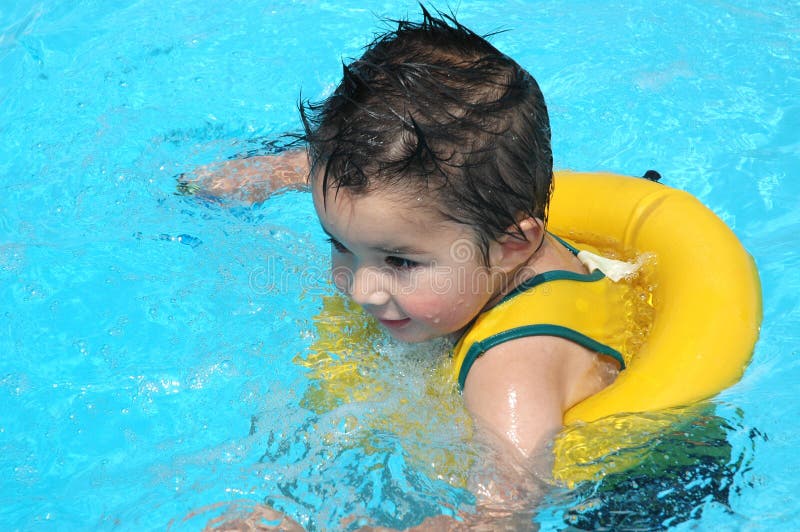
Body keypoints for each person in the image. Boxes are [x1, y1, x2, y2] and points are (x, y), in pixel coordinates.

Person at [183, 7, 638, 528]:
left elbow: (505, 515)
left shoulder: (510, 369)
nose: (362, 289)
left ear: (513, 244)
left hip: (622, 501)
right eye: (340, 244)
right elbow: (385, 180)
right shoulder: (476, 231)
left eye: (399, 261)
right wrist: (276, 171)